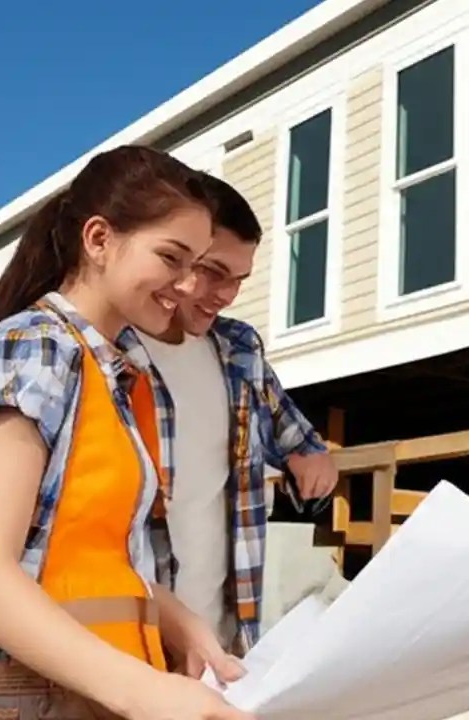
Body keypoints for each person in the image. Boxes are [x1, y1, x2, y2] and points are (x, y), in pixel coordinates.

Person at [0, 146, 254, 720]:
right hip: (25, 695)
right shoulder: (36, 350)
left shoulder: (114, 374)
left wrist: (178, 622)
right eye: (173, 257)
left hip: (90, 692)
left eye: (197, 262)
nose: (189, 284)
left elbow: (85, 553)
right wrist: (144, 692)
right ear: (98, 240)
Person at [139, 172, 338, 663]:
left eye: (239, 280)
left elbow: (294, 432)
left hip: (227, 643)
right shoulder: (113, 348)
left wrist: (312, 456)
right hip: (135, 642)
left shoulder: (239, 348)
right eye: (212, 271)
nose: (225, 293)